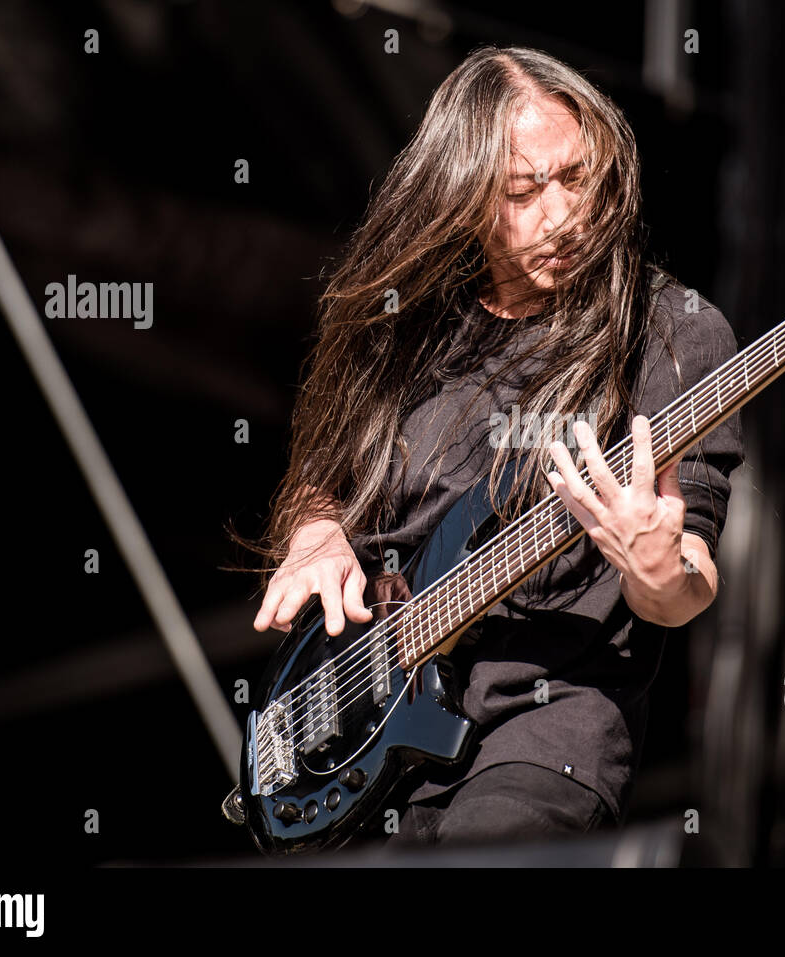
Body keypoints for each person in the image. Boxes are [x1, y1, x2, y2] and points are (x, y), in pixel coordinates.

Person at [247, 45, 744, 849]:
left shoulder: (672, 334)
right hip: (377, 734)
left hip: (544, 739)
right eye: (523, 191)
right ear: (465, 197)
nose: (564, 216)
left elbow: (684, 579)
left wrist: (661, 571)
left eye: (578, 178)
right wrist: (313, 526)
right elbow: (324, 475)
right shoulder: (405, 327)